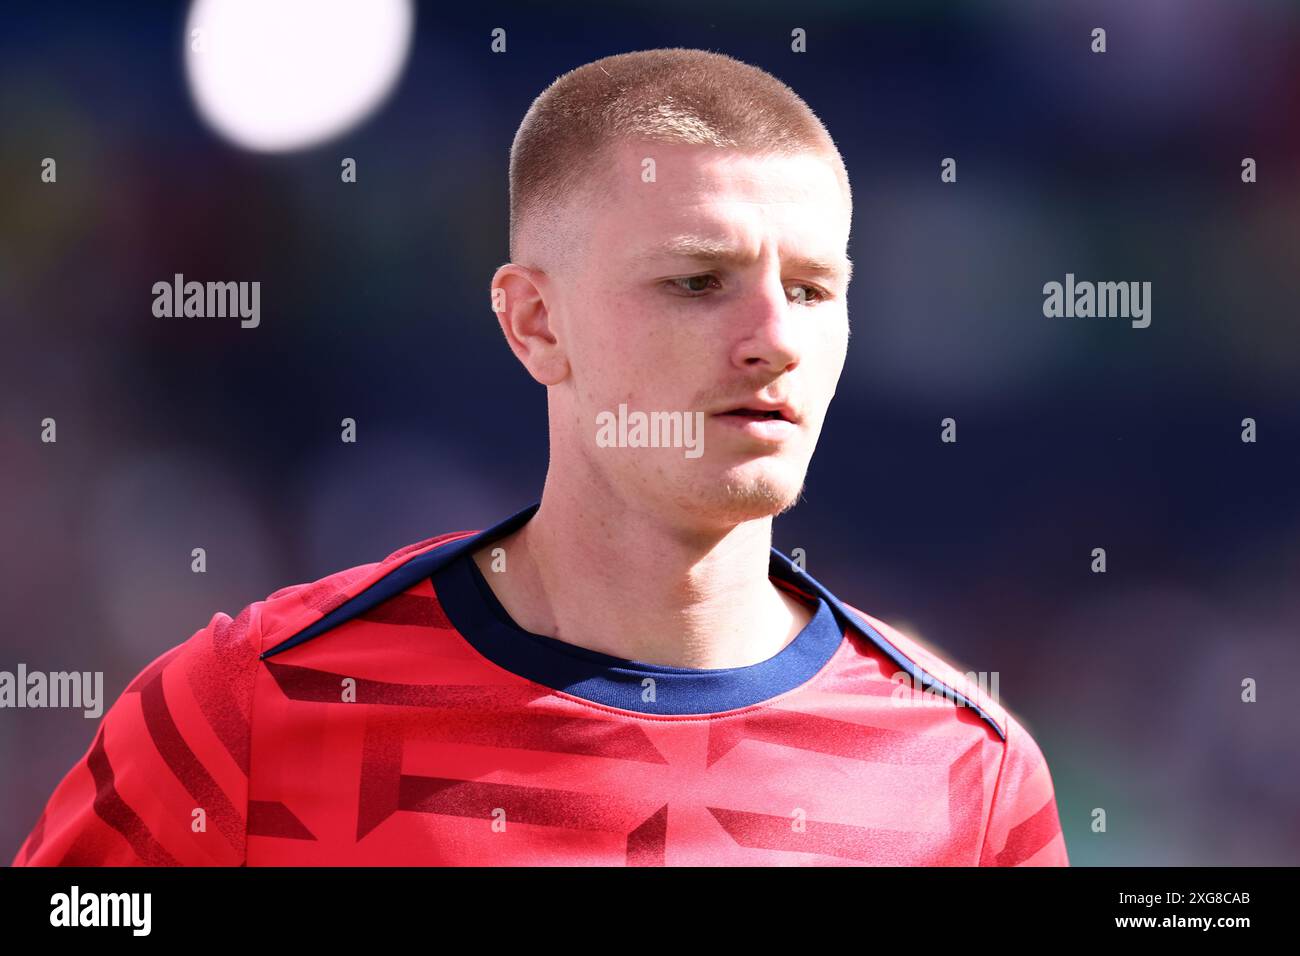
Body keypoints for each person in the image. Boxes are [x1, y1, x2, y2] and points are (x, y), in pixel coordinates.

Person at [12, 47, 1067, 866]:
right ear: (534, 323)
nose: (772, 338)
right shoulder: (249, 708)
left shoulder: (964, 773)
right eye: (697, 280)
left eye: (810, 289)